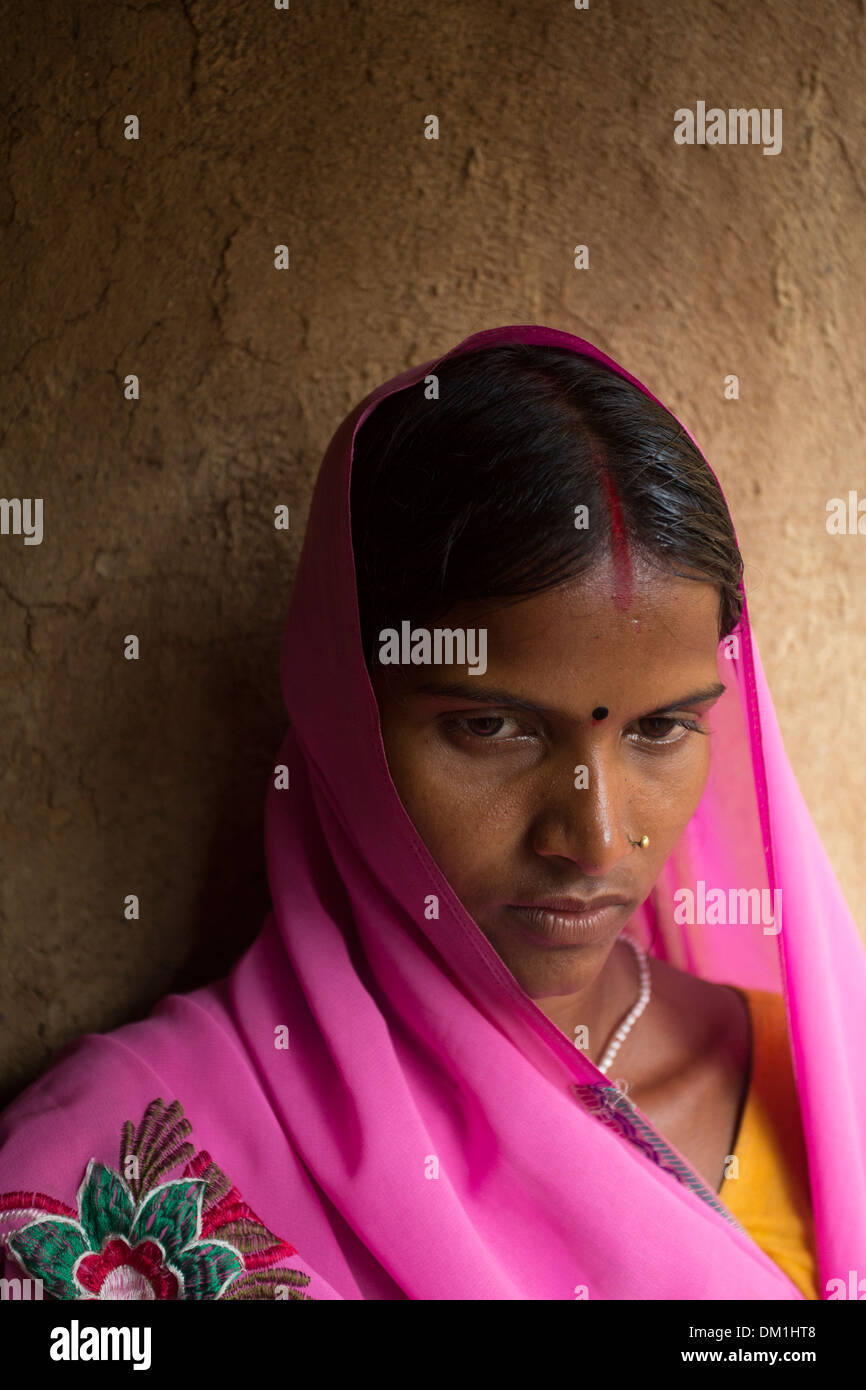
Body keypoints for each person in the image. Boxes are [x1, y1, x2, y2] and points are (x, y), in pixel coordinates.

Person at [1, 323, 864, 1301]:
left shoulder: (828, 1100)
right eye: (492, 726)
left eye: (659, 727)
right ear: (344, 708)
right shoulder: (113, 1178)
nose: (590, 838)